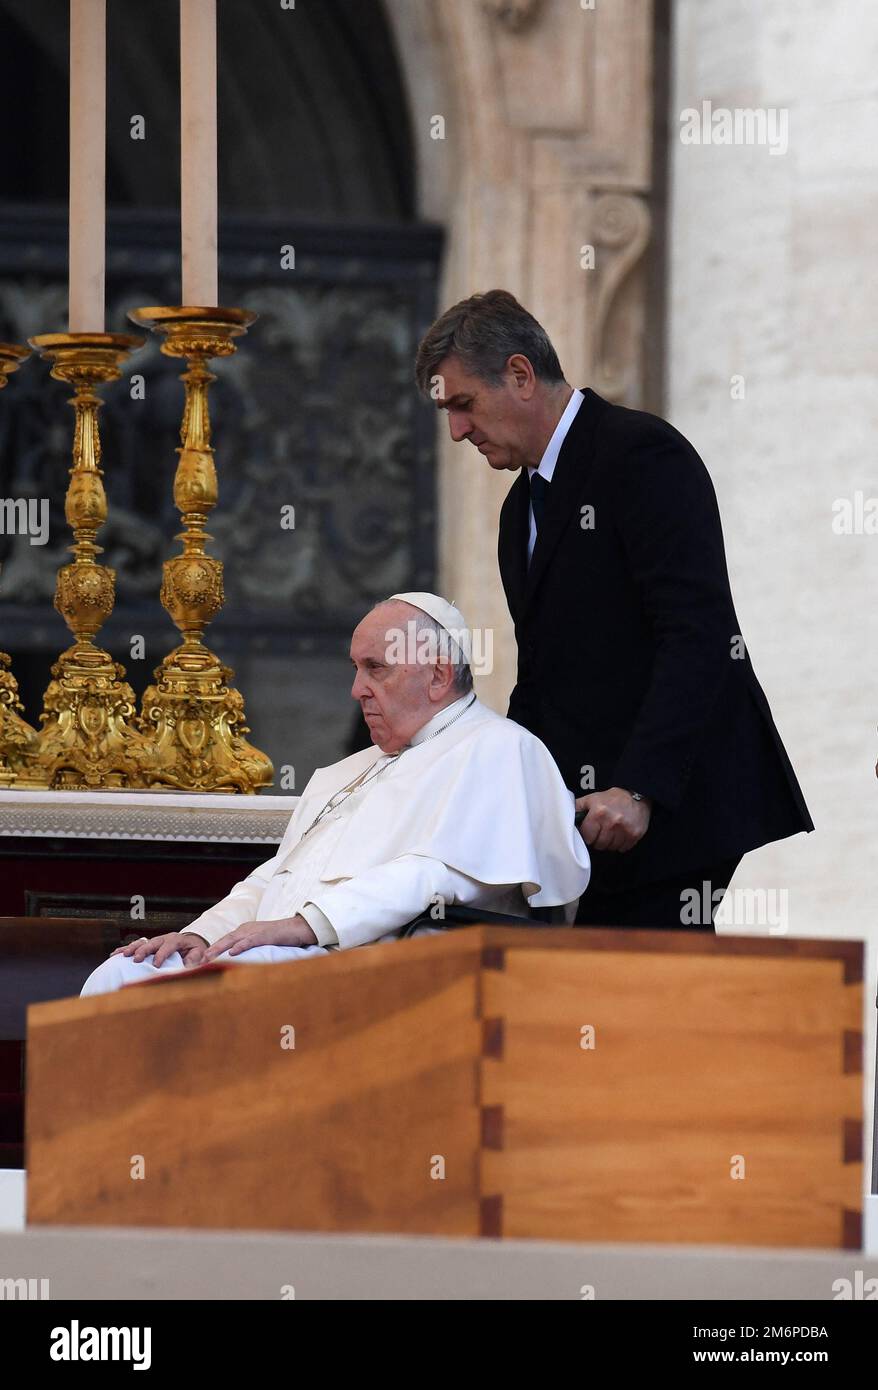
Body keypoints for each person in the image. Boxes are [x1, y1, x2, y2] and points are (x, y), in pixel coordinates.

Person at [415, 290, 813, 929]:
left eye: (464, 404)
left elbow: (699, 634)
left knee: (648, 1004)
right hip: (589, 822)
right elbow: (543, 678)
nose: (457, 430)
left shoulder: (641, 453)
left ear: (520, 375)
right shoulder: (520, 507)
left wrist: (639, 788)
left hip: (674, 806)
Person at [81, 592, 590, 995]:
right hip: (296, 953)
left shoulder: (501, 749)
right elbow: (273, 879)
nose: (357, 689)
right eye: (356, 668)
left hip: (387, 970)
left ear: (437, 676)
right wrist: (201, 935)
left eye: (376, 668)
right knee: (118, 975)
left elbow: (433, 874)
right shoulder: (345, 771)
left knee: (210, 985)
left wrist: (302, 926)